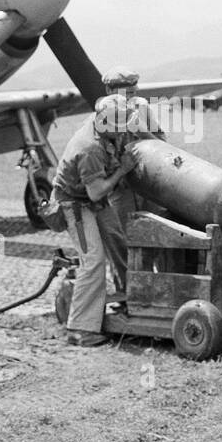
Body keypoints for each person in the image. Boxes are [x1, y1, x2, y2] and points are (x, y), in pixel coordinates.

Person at [53, 93, 138, 346]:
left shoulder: (104, 125)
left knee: (118, 242)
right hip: (75, 205)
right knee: (93, 260)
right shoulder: (90, 147)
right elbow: (97, 191)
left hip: (92, 201)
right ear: (107, 123)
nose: (125, 129)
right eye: (121, 124)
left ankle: (128, 301)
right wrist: (123, 169)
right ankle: (79, 329)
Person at [95, 67, 165, 301]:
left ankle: (150, 292)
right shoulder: (105, 110)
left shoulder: (142, 107)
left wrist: (142, 132)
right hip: (119, 188)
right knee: (122, 242)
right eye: (126, 94)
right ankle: (127, 295)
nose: (130, 99)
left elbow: (163, 145)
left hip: (146, 185)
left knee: (152, 237)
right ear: (110, 92)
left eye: (134, 92)